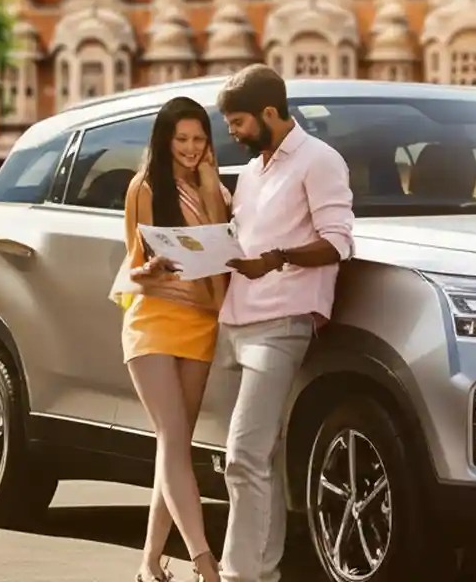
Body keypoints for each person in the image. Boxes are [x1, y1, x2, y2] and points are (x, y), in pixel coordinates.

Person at [214, 64, 355, 582]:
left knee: (242, 456)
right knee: (261, 458)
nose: (232, 132)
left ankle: (237, 575)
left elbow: (338, 240)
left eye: (238, 122)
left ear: (270, 113)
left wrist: (274, 259)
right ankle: (263, 572)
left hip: (283, 320)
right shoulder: (251, 172)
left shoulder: (319, 161)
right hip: (236, 321)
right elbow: (242, 237)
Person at [109, 97, 231, 582]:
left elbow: (223, 256)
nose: (189, 148)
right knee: (174, 439)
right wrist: (151, 268)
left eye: (198, 139)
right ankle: (205, 562)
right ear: (164, 140)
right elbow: (133, 267)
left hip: (202, 322)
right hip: (153, 319)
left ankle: (147, 564)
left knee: (174, 446)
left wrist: (207, 186)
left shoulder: (216, 189)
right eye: (181, 139)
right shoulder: (143, 187)